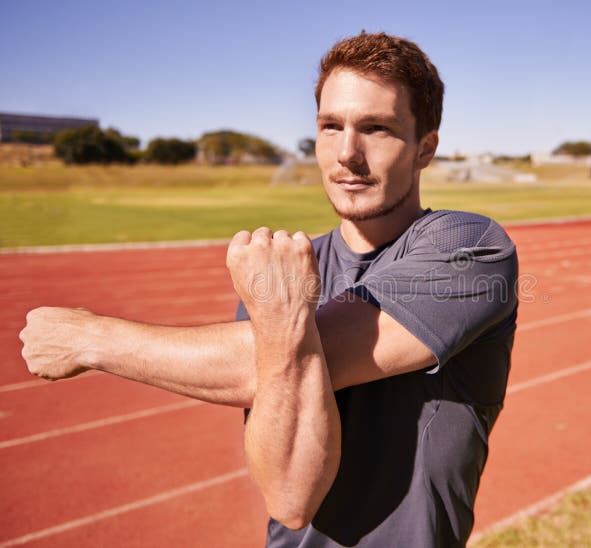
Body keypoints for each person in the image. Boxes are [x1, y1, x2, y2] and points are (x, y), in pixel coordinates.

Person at [20, 32, 518, 547]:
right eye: (331, 126)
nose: (347, 153)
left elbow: (252, 364)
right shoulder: (288, 274)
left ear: (425, 149)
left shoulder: (471, 248)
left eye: (377, 128)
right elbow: (290, 495)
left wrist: (91, 338)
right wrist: (280, 320)